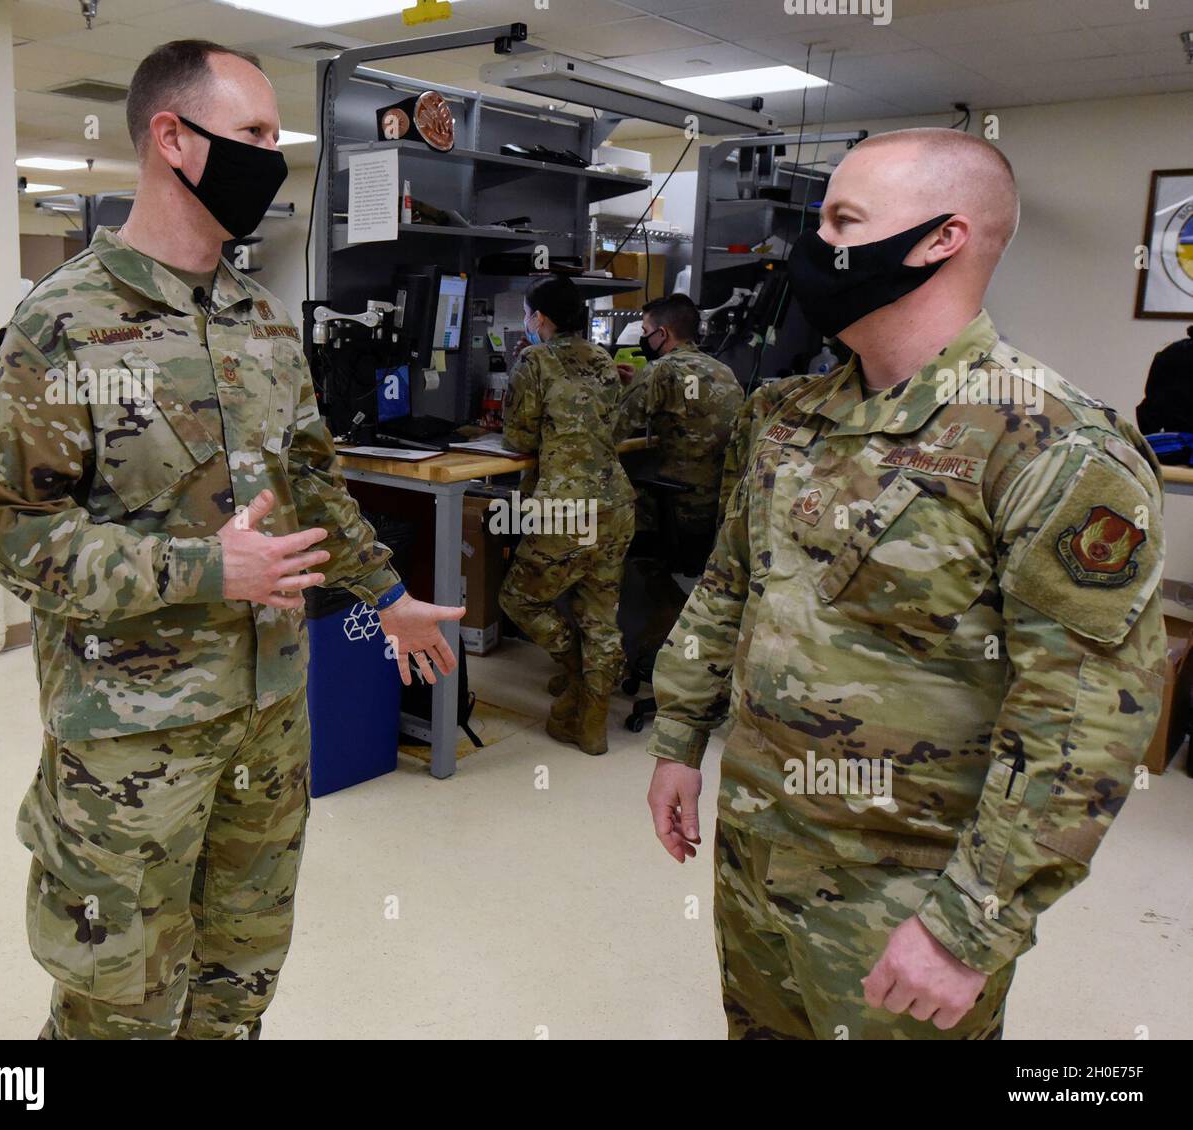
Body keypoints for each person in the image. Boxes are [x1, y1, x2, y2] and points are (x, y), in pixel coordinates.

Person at [0, 39, 463, 1040]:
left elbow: (310, 479)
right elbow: (7, 525)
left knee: (237, 986)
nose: (274, 159)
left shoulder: (261, 324)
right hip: (129, 742)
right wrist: (202, 567)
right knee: (117, 1006)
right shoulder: (65, 326)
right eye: (258, 136)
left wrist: (384, 592)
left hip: (268, 723)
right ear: (173, 139)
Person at [645, 127, 1167, 1039]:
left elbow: (1082, 724)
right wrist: (679, 739)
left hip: (905, 894)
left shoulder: (1050, 444)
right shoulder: (787, 416)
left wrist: (969, 930)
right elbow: (730, 587)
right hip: (759, 851)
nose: (816, 248)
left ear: (941, 239)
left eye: (844, 220)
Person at [499, 274, 635, 756]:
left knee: (520, 600)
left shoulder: (534, 360)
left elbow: (517, 438)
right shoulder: (602, 359)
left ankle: (576, 676)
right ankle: (591, 724)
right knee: (600, 612)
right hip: (615, 503)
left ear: (540, 318)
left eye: (528, 313)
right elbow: (610, 424)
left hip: (565, 507)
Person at [613, 293, 743, 539]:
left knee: (605, 511)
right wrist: (638, 384)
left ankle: (646, 576)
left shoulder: (661, 369)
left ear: (662, 334)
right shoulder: (723, 370)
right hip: (719, 504)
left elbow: (612, 431)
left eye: (645, 330)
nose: (643, 338)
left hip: (680, 505)